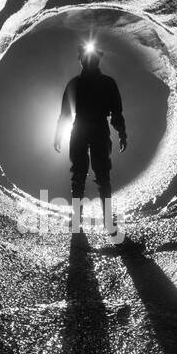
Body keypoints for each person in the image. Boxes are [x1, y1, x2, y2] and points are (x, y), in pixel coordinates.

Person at [54, 40, 127, 236]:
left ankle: (98, 219)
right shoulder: (86, 83)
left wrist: (121, 132)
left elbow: (116, 112)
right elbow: (65, 114)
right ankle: (85, 220)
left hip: (89, 130)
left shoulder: (89, 83)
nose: (87, 62)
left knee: (97, 175)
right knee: (85, 175)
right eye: (85, 59)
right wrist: (58, 134)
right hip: (87, 130)